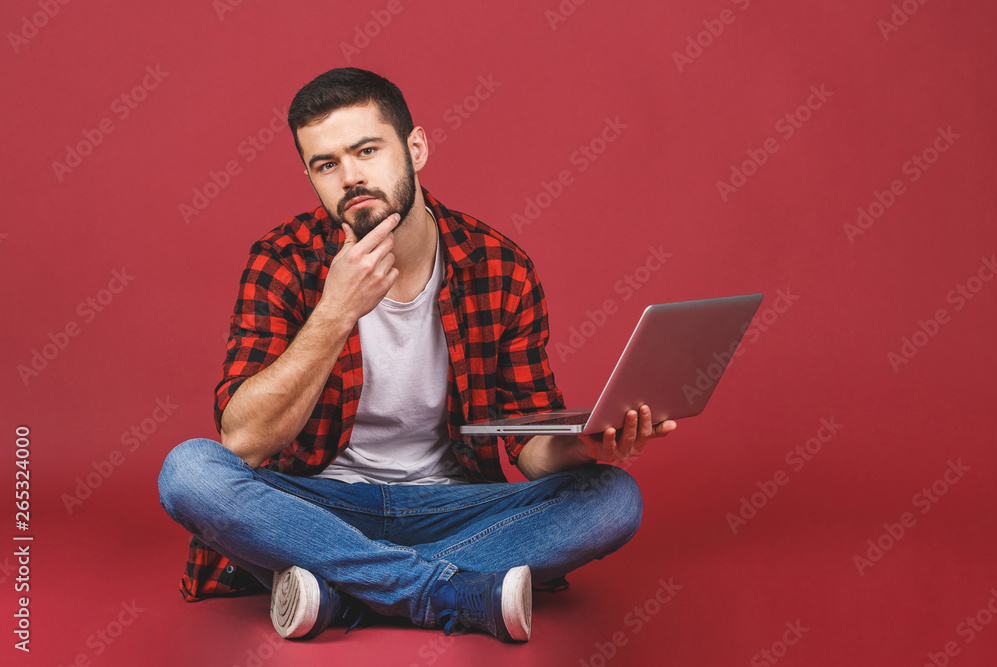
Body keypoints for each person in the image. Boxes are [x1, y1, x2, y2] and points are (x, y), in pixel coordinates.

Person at [157, 67, 677, 643]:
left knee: (613, 498)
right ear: (309, 175)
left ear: (416, 147)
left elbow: (528, 449)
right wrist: (334, 312)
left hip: (455, 506)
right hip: (318, 506)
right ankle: (444, 592)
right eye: (326, 164)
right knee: (189, 471)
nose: (350, 177)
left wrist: (583, 445)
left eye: (366, 150)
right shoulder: (283, 260)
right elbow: (244, 440)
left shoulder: (500, 266)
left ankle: (339, 593)